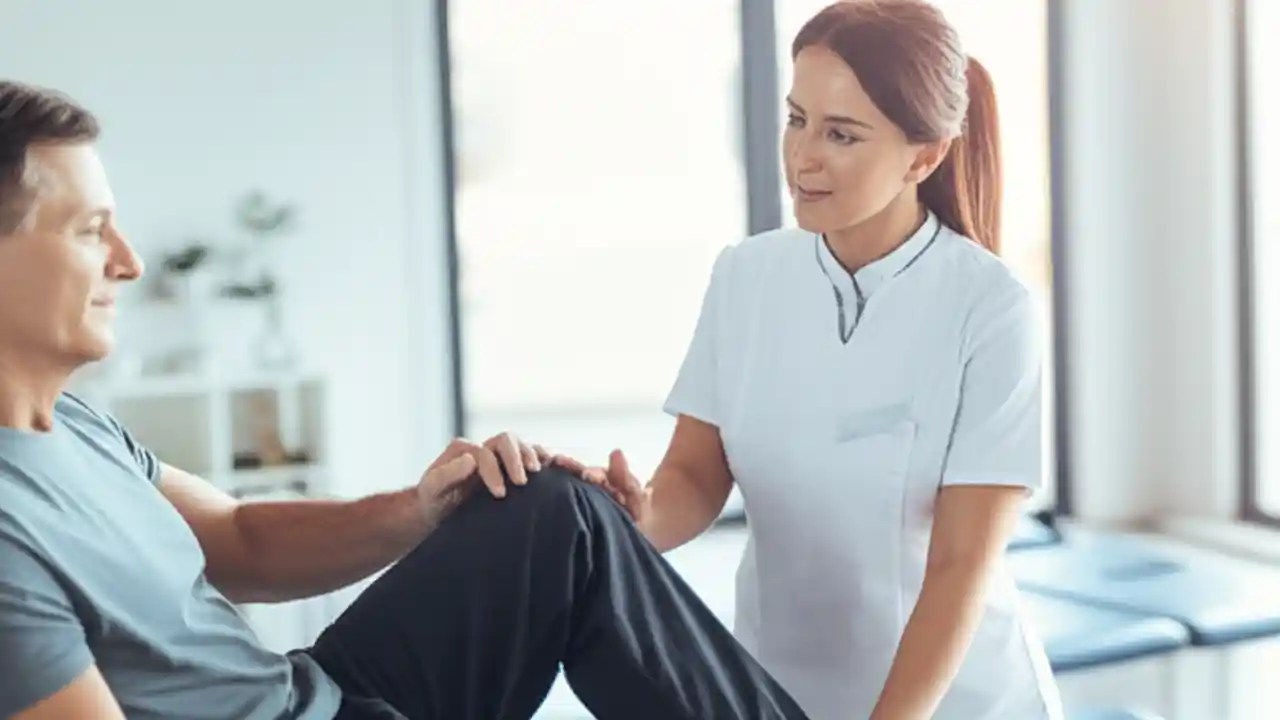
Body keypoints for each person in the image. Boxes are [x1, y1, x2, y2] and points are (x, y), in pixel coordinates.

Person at [0, 80, 811, 720]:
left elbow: (241, 539)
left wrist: (424, 507)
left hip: (311, 693)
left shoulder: (73, 424)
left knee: (554, 513)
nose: (129, 262)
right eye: (88, 231)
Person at [554, 1, 1065, 718]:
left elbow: (958, 570)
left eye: (841, 135)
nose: (803, 158)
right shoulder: (745, 277)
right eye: (796, 120)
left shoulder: (990, 306)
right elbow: (695, 475)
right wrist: (634, 519)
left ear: (924, 155)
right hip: (775, 690)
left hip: (951, 702)